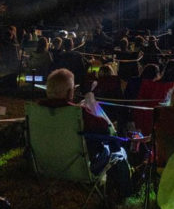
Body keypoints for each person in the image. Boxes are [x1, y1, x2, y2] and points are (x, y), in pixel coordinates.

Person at [39, 69, 132, 198]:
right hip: (77, 165)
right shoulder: (78, 113)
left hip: (44, 163)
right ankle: (124, 194)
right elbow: (105, 127)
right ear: (70, 92)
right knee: (118, 152)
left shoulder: (36, 111)